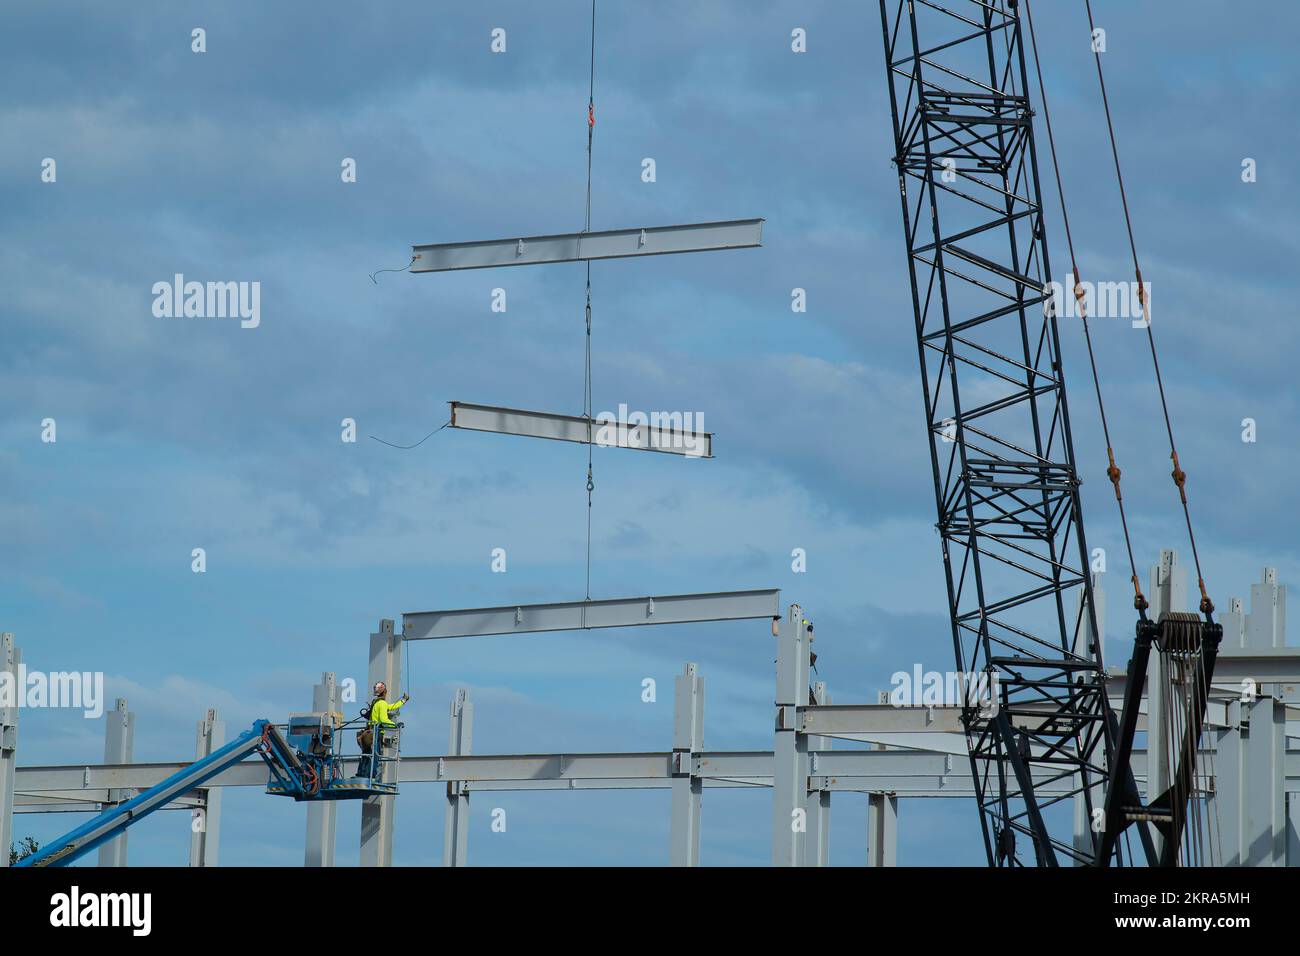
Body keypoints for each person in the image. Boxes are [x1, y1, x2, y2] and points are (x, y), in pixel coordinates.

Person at [356, 681, 409, 780]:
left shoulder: (376, 703)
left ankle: (361, 774)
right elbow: (384, 719)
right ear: (384, 692)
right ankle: (371, 776)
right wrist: (395, 725)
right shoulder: (382, 704)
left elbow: (391, 707)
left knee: (366, 754)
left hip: (368, 733)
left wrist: (403, 700)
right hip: (376, 733)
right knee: (374, 756)